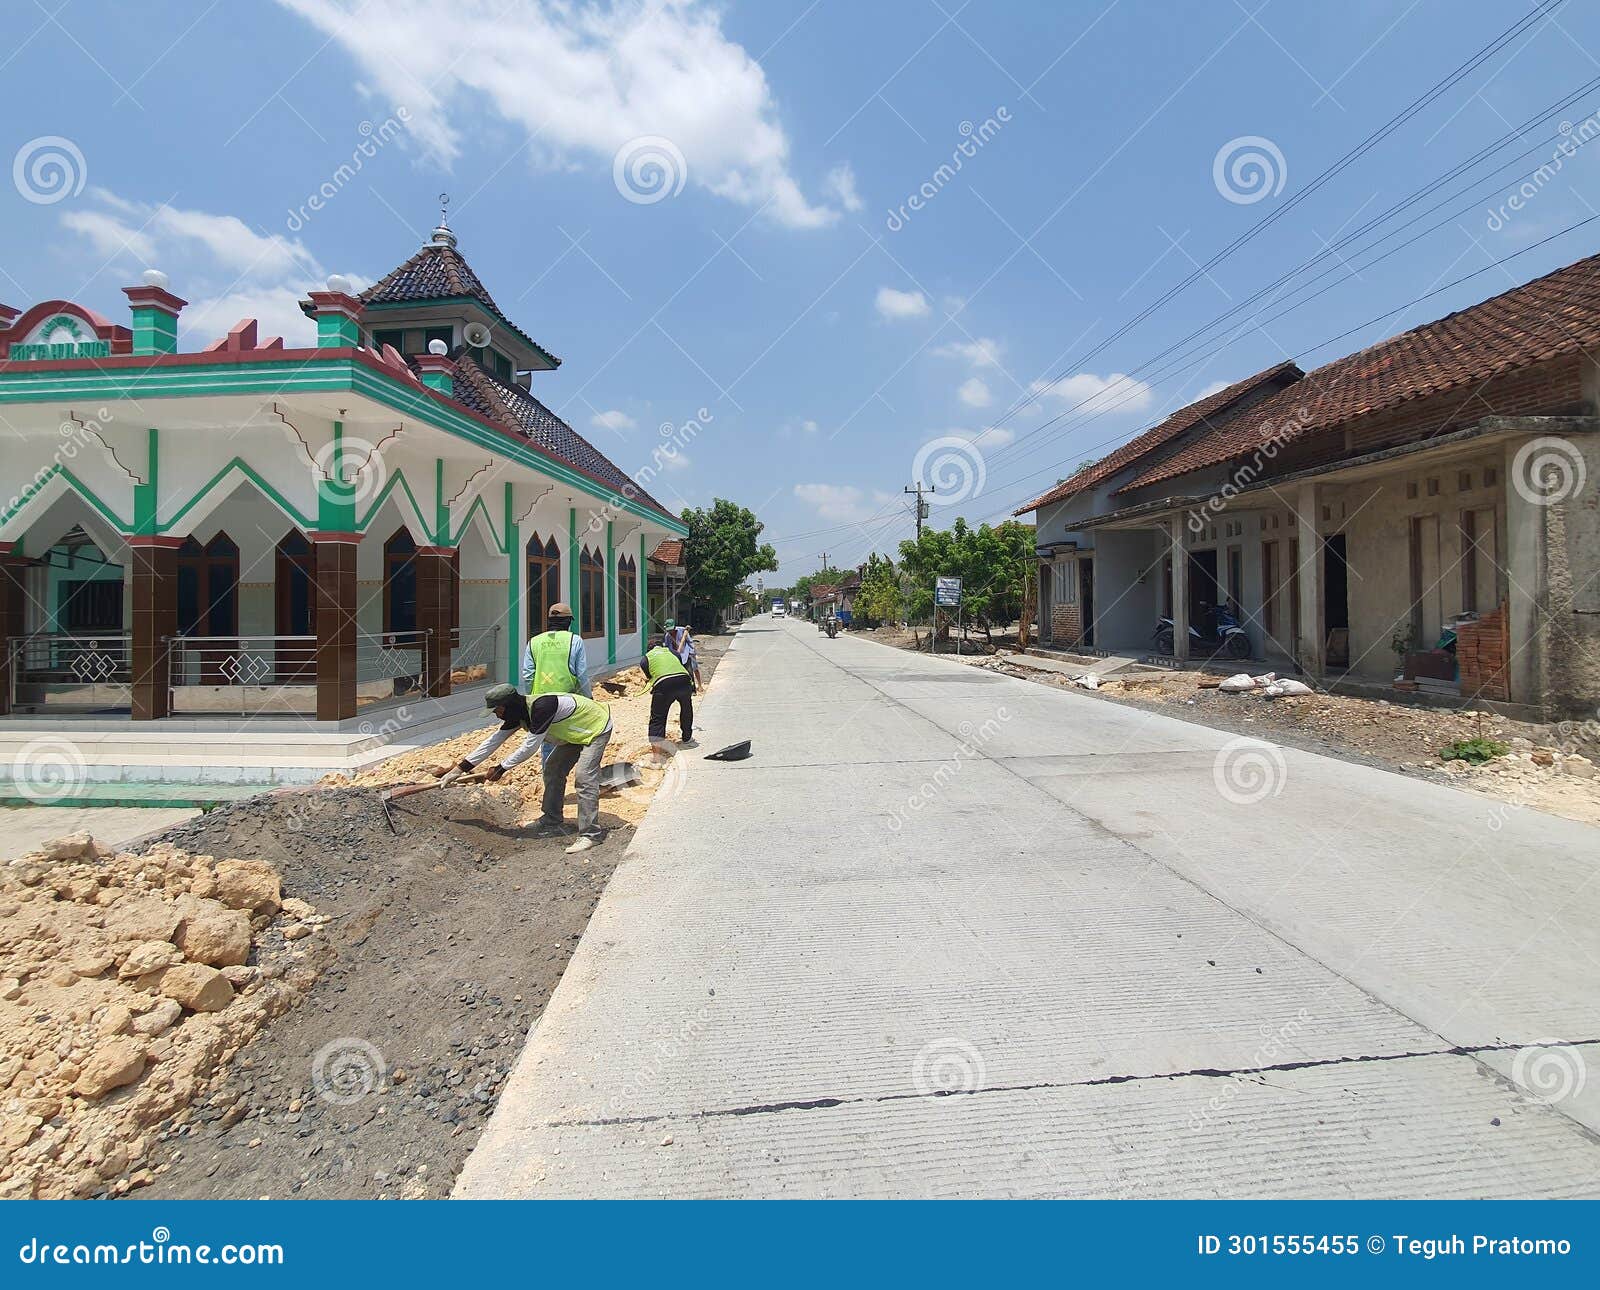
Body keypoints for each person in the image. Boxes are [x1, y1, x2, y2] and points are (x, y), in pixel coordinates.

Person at [437, 683, 612, 853]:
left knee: (584, 777)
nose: (497, 715)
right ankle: (551, 820)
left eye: (498, 710)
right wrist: (458, 770)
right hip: (574, 733)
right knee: (552, 769)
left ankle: (591, 835)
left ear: (509, 705)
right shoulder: (518, 713)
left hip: (595, 727)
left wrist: (501, 768)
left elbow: (529, 747)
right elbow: (492, 742)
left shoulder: (542, 707)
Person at [521, 601, 591, 698]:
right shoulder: (575, 640)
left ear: (549, 621)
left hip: (539, 700)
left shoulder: (533, 642)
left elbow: (528, 676)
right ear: (569, 621)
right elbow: (582, 674)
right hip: (568, 701)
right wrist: (588, 697)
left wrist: (530, 698)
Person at [641, 635, 696, 749]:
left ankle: (657, 757)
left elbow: (651, 678)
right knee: (686, 709)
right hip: (684, 681)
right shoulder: (673, 652)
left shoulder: (645, 659)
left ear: (648, 649)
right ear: (662, 646)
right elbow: (678, 666)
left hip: (664, 685)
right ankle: (687, 737)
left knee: (658, 717)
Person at [663, 617, 703, 690]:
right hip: (676, 656)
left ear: (674, 627)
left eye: (671, 629)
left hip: (686, 653)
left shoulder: (683, 630)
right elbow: (667, 646)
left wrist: (692, 653)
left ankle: (696, 687)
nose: (670, 631)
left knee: (692, 670)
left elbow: (689, 642)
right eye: (669, 630)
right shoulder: (667, 636)